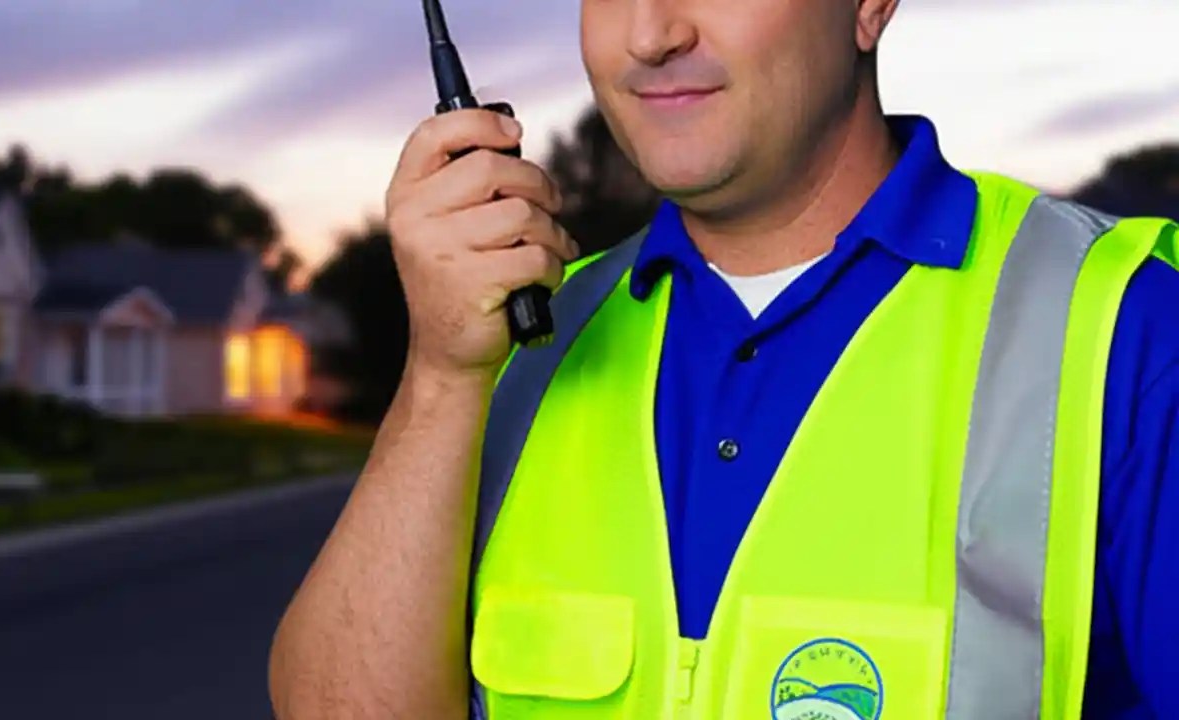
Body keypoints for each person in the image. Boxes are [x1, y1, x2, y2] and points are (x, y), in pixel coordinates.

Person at [268, 0, 1179, 717]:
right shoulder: (513, 349)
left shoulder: (1122, 327)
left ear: (870, 4)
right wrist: (440, 377)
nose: (651, 34)